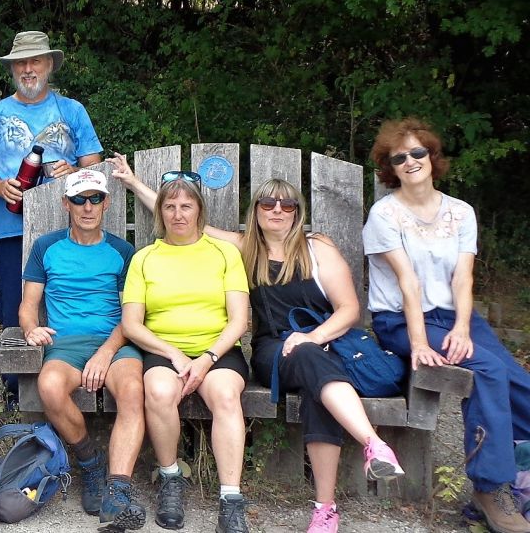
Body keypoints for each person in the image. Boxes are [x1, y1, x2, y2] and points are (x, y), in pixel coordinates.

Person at [111, 155, 405, 533]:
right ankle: (371, 445)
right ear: (256, 212)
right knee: (310, 365)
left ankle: (321, 504)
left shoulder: (318, 249)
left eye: (287, 205)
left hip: (319, 345)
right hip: (273, 352)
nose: (277, 210)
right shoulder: (244, 247)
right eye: (268, 203)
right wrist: (135, 185)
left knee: (315, 383)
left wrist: (310, 337)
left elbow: (349, 309)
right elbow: (180, 216)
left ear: (299, 212)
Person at [364, 118, 530, 533]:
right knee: (487, 371)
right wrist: (419, 342)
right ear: (390, 167)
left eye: (417, 152)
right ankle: (490, 490)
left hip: (454, 316)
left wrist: (461, 327)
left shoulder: (461, 212)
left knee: (521, 386)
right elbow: (408, 282)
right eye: (399, 157)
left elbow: (462, 278)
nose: (410, 161)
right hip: (401, 319)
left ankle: (523, 482)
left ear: (432, 157)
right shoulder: (385, 214)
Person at [0, 30, 102, 405]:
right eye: (21, 63)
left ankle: (70, 379)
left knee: (67, 301)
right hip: (12, 228)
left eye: (35, 61)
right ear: (12, 70)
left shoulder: (71, 111)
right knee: (15, 306)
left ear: (48, 65)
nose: (28, 69)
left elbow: (94, 162)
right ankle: (16, 390)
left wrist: (72, 169)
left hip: (68, 228)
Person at [116, 172, 252, 533]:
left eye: (186, 206)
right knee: (159, 391)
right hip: (163, 349)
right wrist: (174, 354)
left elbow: (239, 321)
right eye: (170, 206)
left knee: (224, 395)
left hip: (219, 349)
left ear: (199, 211)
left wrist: (206, 358)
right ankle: (171, 477)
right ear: (160, 212)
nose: (178, 214)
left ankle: (231, 497)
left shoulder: (224, 254)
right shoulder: (145, 258)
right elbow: (132, 324)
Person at [19, 170, 146, 530]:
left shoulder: (122, 251)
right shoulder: (47, 247)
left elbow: (132, 315)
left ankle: (117, 491)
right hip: (66, 342)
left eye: (94, 199)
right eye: (79, 199)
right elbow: (28, 305)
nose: (87, 207)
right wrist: (31, 328)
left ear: (106, 204)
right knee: (49, 386)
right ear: (66, 204)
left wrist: (105, 353)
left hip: (115, 341)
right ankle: (90, 465)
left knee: (134, 391)